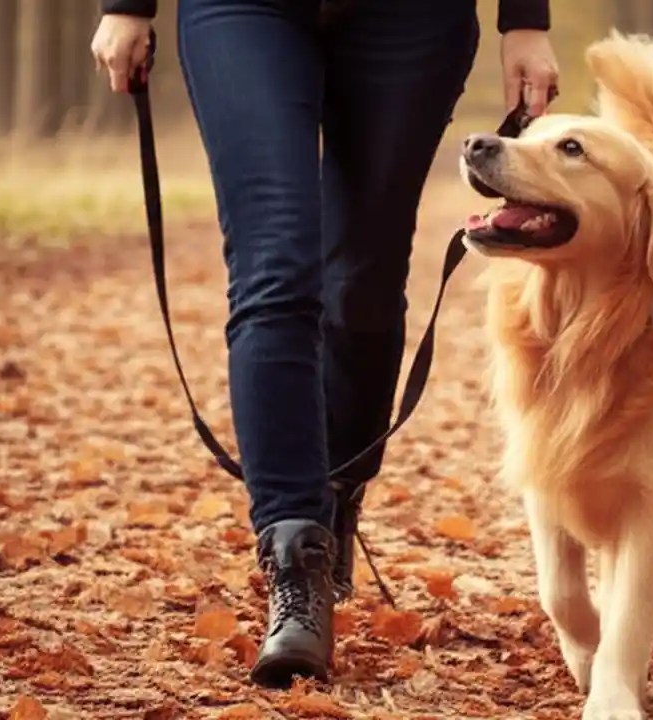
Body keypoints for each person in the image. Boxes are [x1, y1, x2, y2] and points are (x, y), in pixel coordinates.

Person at [92, 0, 557, 689]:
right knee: (274, 269)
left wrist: (526, 21)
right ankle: (296, 557)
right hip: (243, 11)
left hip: (411, 21)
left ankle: (337, 491)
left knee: (364, 284)